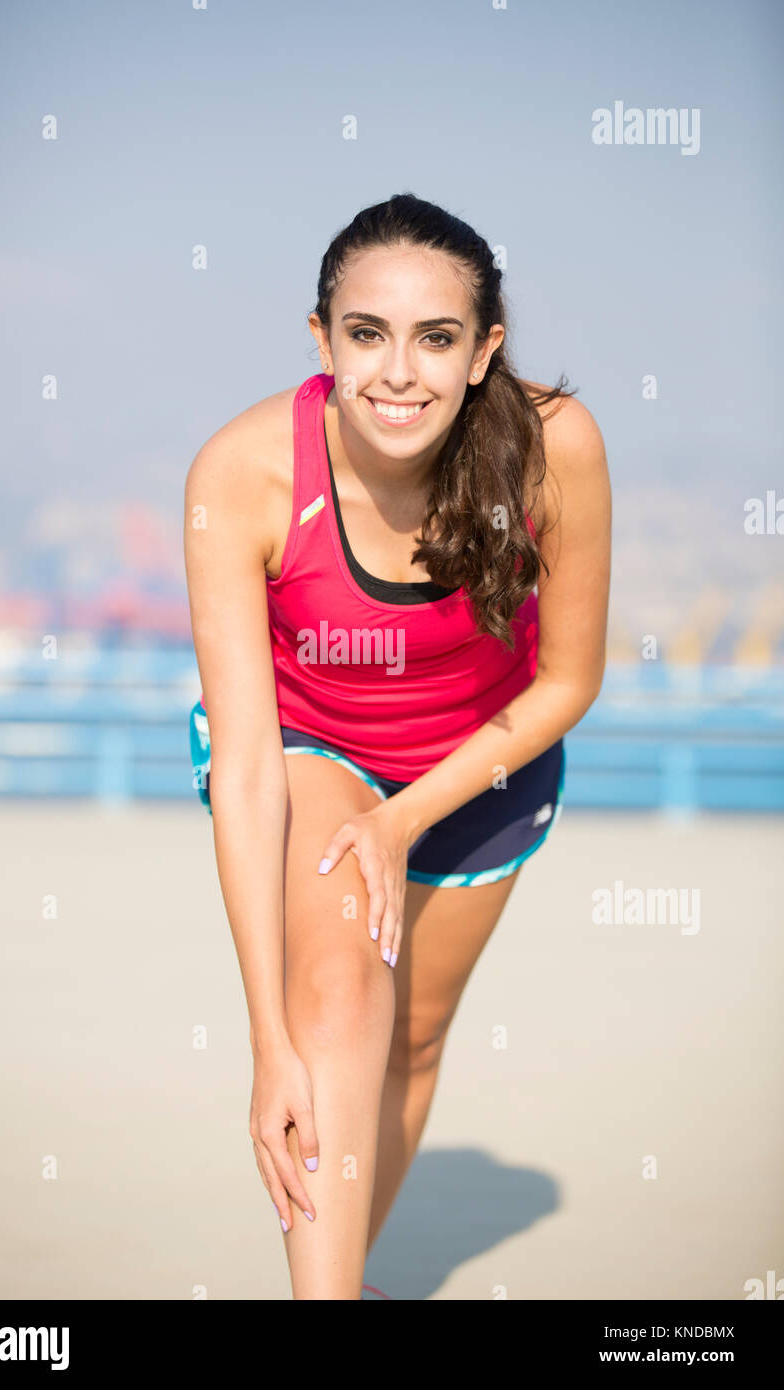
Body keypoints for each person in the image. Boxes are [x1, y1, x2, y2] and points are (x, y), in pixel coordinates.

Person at [183, 192, 611, 1300]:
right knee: (337, 997)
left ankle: (347, 1278)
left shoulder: (553, 444)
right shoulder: (243, 472)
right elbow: (239, 762)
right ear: (322, 341)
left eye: (436, 338)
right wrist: (265, 1037)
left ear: (484, 352)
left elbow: (568, 677)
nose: (397, 372)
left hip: (483, 767)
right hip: (307, 744)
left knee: (411, 1044)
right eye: (365, 333)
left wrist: (406, 813)